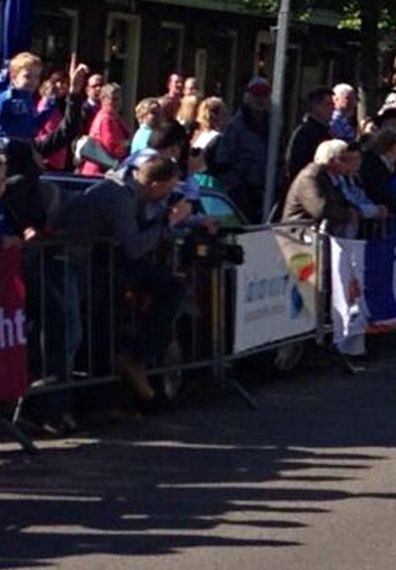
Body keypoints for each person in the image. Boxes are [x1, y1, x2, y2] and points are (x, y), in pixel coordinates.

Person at [50, 155, 191, 400]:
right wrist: (169, 223)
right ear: (155, 184)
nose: (166, 197)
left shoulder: (124, 191)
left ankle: (106, 392)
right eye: (166, 190)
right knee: (71, 333)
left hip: (87, 262)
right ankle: (58, 404)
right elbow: (134, 246)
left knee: (97, 324)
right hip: (65, 261)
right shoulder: (119, 196)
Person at [215, 76, 271, 222]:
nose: (260, 100)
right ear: (247, 97)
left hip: (267, 191)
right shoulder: (235, 126)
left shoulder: (274, 125)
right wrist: (236, 187)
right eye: (256, 95)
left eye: (264, 95)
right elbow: (222, 161)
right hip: (241, 193)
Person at [78, 83, 130, 176]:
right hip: (99, 170)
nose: (116, 103)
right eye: (113, 99)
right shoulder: (105, 119)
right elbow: (110, 146)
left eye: (118, 99)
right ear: (103, 99)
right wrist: (126, 144)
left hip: (108, 169)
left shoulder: (116, 118)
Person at [285, 86, 334, 183]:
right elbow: (295, 165)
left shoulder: (325, 132)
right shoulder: (305, 133)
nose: (332, 109)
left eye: (333, 105)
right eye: (328, 105)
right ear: (315, 106)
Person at [0, 52, 55, 139]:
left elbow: (34, 126)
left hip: (25, 147)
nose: (33, 81)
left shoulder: (28, 100)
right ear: (14, 77)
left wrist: (49, 104)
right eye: (27, 76)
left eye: (37, 77)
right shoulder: (5, 99)